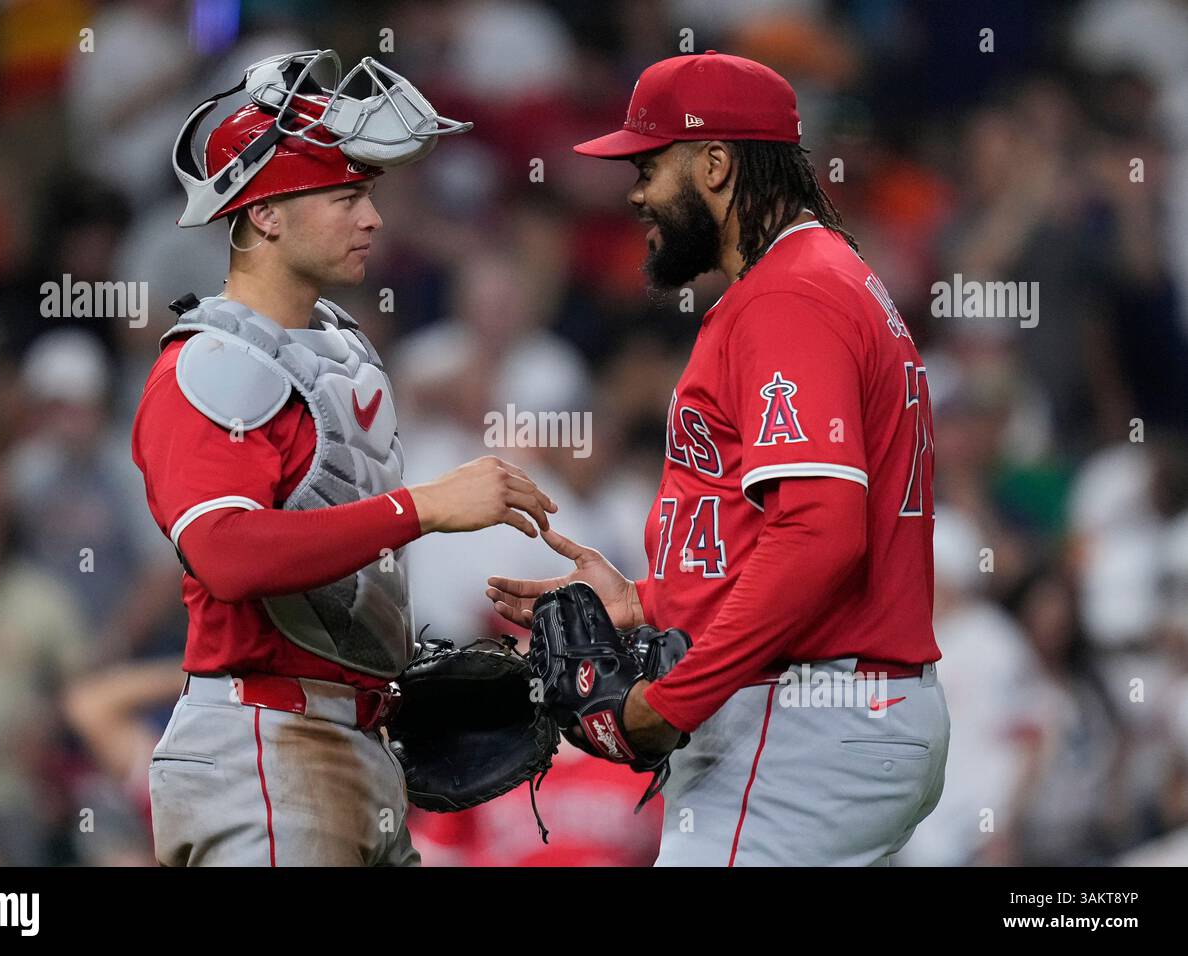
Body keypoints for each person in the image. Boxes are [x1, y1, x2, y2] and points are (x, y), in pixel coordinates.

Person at [487, 52, 948, 866]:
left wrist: (669, 703)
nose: (634, 192)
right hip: (839, 710)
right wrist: (650, 598)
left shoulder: (790, 294)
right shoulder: (819, 280)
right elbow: (782, 526)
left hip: (801, 715)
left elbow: (820, 533)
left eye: (648, 163)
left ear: (713, 162)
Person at [133, 49, 556, 867]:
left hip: (350, 742)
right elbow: (224, 554)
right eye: (346, 195)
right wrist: (423, 508)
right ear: (264, 215)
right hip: (264, 740)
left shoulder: (339, 350)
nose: (374, 219)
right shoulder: (208, 362)